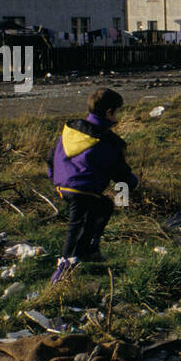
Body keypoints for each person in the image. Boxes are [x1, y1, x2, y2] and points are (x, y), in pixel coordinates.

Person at [47, 88, 139, 283]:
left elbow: (50, 158)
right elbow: (120, 173)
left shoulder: (70, 130)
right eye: (118, 111)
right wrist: (131, 185)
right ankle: (64, 268)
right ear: (109, 112)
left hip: (63, 186)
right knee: (78, 224)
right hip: (84, 189)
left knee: (103, 206)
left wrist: (56, 179)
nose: (118, 116)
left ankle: (90, 250)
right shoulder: (108, 142)